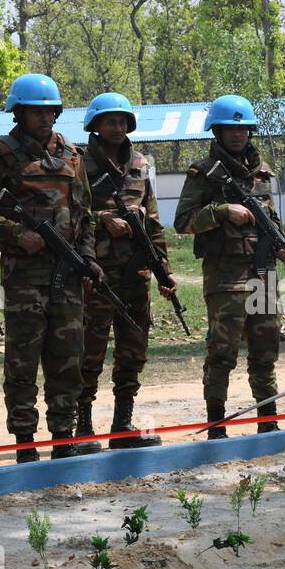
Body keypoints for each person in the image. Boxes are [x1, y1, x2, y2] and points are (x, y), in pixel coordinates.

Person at [0, 73, 99, 462]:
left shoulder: (73, 154)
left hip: (68, 274)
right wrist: (15, 233)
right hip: (24, 277)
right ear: (18, 112)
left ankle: (63, 435)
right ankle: (25, 439)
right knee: (22, 359)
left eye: (50, 111)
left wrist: (87, 259)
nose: (44, 117)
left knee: (67, 357)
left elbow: (85, 214)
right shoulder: (0, 155)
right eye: (35, 111)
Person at [174, 94, 285, 439]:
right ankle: (217, 424)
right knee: (222, 352)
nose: (238, 135)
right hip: (225, 277)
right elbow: (183, 222)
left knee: (265, 350)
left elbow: (271, 219)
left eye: (243, 129)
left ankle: (267, 420)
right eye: (230, 129)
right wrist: (223, 211)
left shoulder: (263, 172)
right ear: (217, 131)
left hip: (263, 275)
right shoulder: (203, 173)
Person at [77, 91, 176, 451]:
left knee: (134, 347)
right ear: (96, 126)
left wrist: (163, 266)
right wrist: (103, 219)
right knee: (91, 348)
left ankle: (123, 424)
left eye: (122, 121)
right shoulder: (79, 164)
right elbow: (70, 215)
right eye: (110, 121)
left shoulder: (141, 163)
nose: (117, 127)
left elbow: (153, 219)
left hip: (136, 271)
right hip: (97, 273)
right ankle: (83, 426)